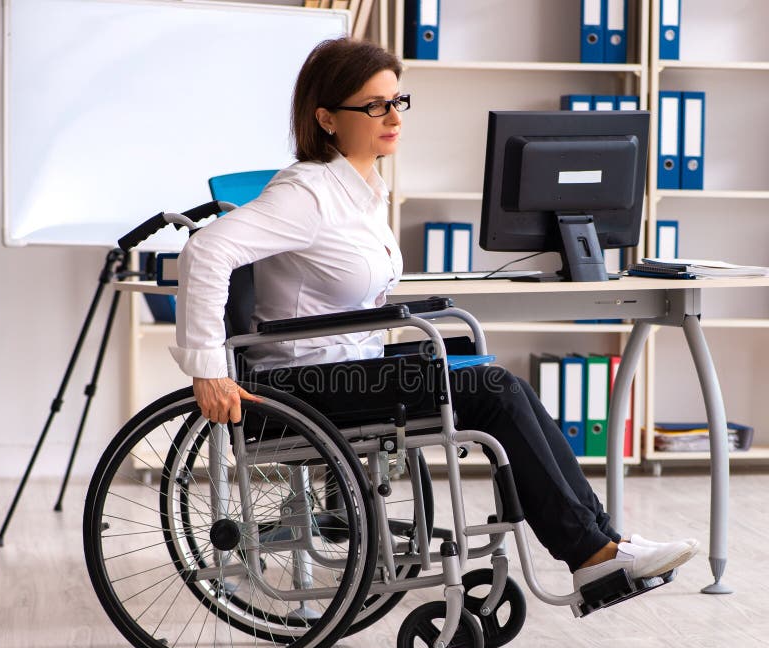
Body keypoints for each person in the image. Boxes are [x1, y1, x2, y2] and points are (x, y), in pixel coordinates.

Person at [170, 37, 697, 592]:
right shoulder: (309, 193)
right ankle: (591, 552)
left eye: (398, 101)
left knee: (500, 383)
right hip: (304, 384)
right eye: (374, 106)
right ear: (325, 118)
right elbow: (206, 251)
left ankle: (602, 542)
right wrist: (208, 369)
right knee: (494, 390)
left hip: (347, 367)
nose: (392, 116)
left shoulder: (363, 191)